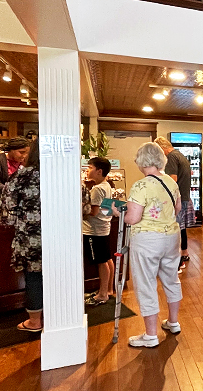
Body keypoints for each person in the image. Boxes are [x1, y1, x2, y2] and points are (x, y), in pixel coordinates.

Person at [115, 142, 182, 348]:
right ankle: (173, 322)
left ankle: (150, 335)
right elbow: (177, 208)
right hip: (171, 237)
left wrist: (119, 213)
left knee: (146, 283)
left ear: (141, 161)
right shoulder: (171, 182)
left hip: (147, 240)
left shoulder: (141, 185)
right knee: (171, 279)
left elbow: (133, 218)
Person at [0, 137, 42, 331]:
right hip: (62, 238)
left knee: (33, 277)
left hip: (30, 239)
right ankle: (60, 319)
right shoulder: (65, 174)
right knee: (60, 276)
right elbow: (83, 206)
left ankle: (34, 321)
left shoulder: (20, 177)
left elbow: (6, 215)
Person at [155, 136, 195, 272]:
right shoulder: (180, 155)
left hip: (177, 199)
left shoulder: (171, 157)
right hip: (184, 197)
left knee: (174, 231)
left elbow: (172, 180)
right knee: (180, 228)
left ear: (162, 148)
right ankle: (184, 253)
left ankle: (177, 263)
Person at [82, 156, 114, 305]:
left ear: (99, 171)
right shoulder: (107, 185)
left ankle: (102, 294)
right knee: (107, 259)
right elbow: (105, 209)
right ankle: (109, 289)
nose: (87, 171)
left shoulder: (97, 189)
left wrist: (80, 209)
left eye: (90, 168)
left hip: (93, 230)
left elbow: (93, 212)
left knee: (101, 262)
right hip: (104, 227)